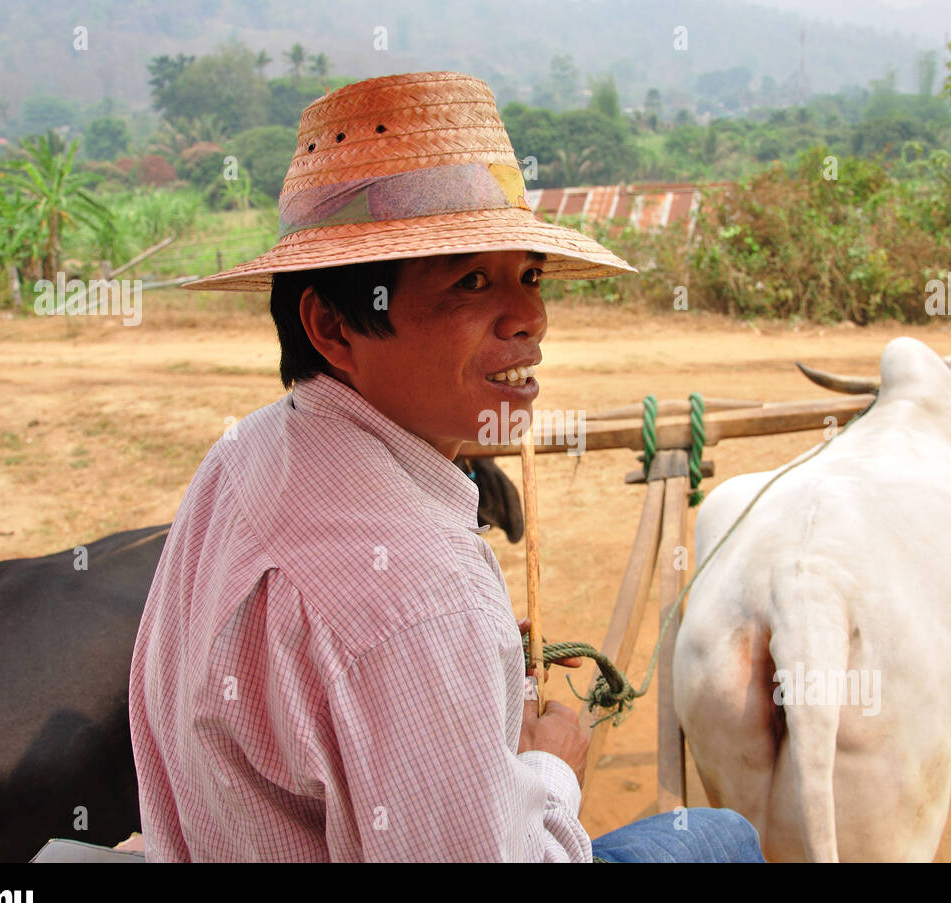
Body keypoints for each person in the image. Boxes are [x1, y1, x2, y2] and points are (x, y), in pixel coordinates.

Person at [129, 70, 764, 862]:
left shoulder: (243, 452)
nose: (531, 316)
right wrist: (549, 768)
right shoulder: (421, 593)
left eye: (529, 274)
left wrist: (462, 675)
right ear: (332, 324)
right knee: (722, 836)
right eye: (470, 280)